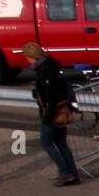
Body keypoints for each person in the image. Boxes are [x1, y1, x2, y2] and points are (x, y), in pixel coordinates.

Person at [21, 43, 79, 186]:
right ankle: (73, 173)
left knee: (46, 142)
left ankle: (64, 171)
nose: (27, 61)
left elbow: (52, 94)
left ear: (33, 57)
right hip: (61, 109)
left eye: (27, 58)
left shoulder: (46, 71)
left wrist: (47, 117)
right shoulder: (51, 66)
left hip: (53, 112)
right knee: (61, 143)